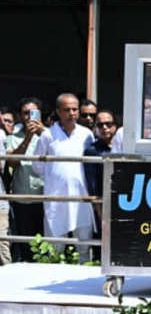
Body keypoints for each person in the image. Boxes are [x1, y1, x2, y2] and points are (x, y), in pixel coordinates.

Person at [32, 94, 94, 262]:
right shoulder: (48, 135)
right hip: (56, 196)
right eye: (67, 110)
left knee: (84, 245)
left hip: (81, 196)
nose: (72, 113)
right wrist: (55, 177)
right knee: (55, 245)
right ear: (58, 112)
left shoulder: (86, 134)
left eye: (75, 109)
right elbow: (37, 164)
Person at [5, 98, 45, 262]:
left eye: (33, 113)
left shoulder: (49, 135)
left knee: (47, 242)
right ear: (20, 116)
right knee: (26, 244)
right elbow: (12, 162)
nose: (30, 117)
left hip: (45, 197)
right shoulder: (13, 137)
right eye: (26, 113)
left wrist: (42, 133)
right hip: (22, 199)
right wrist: (27, 138)